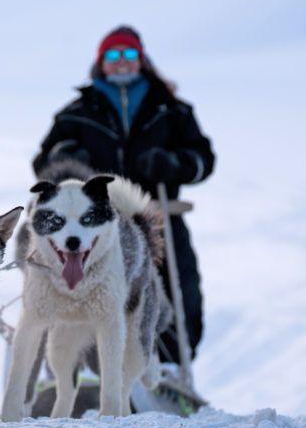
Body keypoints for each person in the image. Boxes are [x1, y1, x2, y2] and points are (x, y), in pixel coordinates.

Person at [32, 25, 215, 368]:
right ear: (101, 62)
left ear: (141, 60)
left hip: (161, 217)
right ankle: (87, 367)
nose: (121, 62)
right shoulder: (78, 112)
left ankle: (170, 368)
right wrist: (69, 161)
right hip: (96, 224)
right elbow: (43, 164)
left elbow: (205, 160)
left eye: (129, 54)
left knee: (177, 291)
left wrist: (175, 164)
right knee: (87, 290)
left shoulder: (171, 110)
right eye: (113, 55)